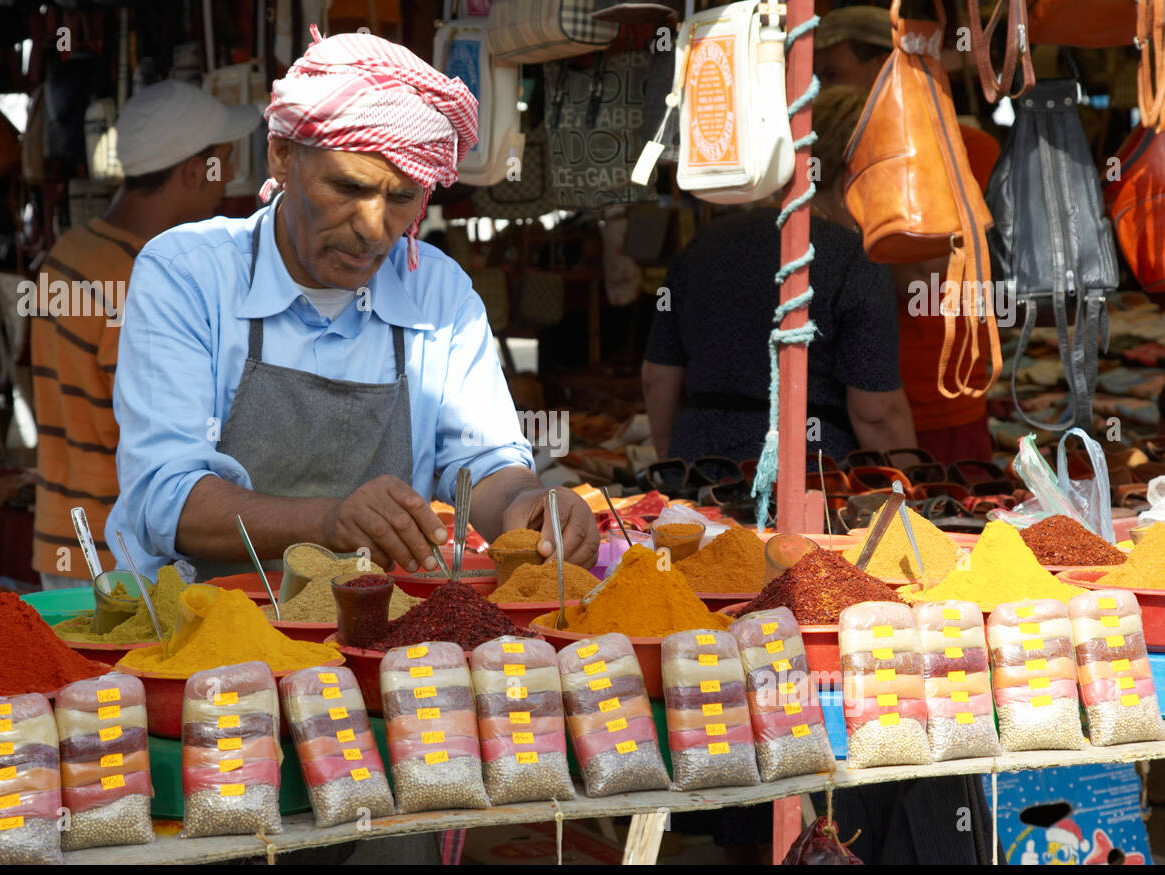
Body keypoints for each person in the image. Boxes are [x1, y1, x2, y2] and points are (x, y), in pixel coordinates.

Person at [105, 31, 598, 588]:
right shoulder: (188, 274)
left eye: (402, 197)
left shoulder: (438, 293)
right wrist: (327, 521)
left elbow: (480, 463)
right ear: (283, 156)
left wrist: (527, 505)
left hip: (368, 635)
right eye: (348, 187)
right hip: (192, 632)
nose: (373, 228)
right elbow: (166, 496)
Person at [31, 80, 259, 589]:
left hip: (59, 535)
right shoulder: (148, 276)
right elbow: (153, 426)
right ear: (193, 171)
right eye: (223, 161)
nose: (225, 183)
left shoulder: (69, 255)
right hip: (117, 558)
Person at [641, 87, 917, 467]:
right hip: (810, 476)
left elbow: (657, 378)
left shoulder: (702, 246)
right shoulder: (855, 260)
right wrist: (910, 488)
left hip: (698, 471)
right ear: (853, 176)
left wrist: (676, 464)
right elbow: (878, 412)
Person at [815, 3, 1000, 464]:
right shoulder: (820, 159)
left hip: (932, 395)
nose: (822, 91)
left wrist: (851, 221)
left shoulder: (969, 151)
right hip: (842, 394)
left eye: (833, 74)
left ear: (885, 69)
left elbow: (933, 274)